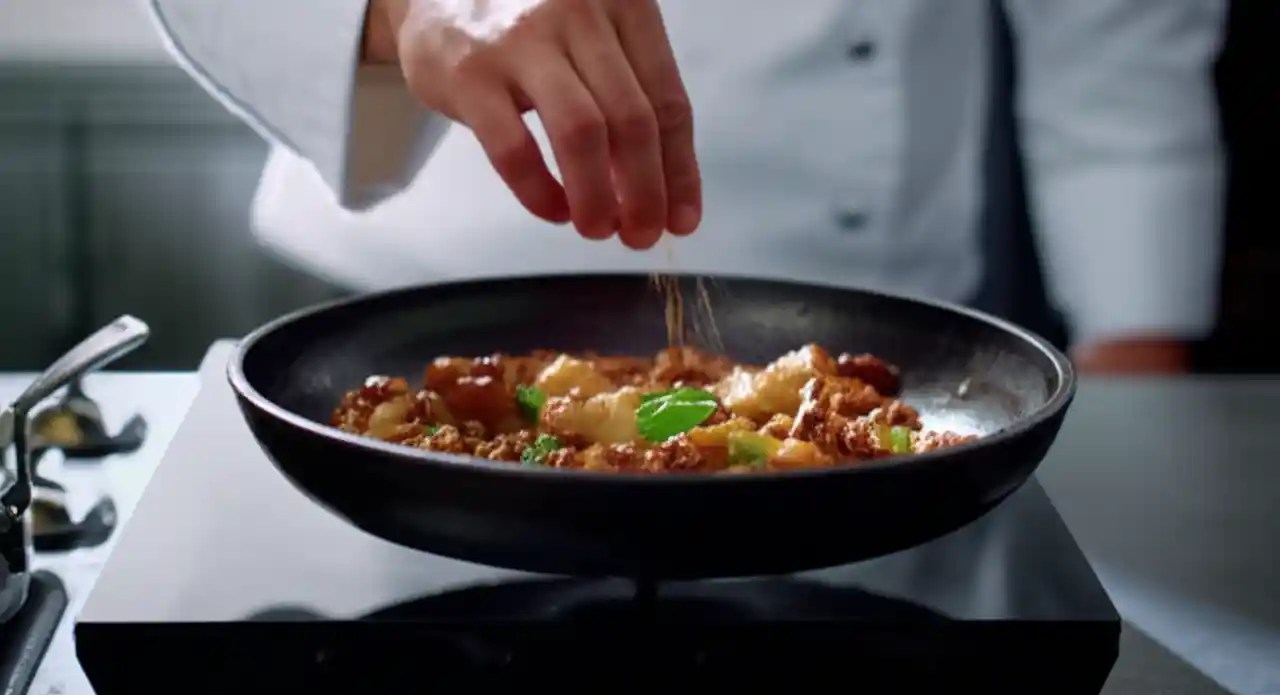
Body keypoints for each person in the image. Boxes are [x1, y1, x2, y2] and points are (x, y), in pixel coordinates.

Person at [145, 0, 1227, 374]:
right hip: (398, 321)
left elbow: (1117, 57)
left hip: (888, 344)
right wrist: (398, 9)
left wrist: (1134, 360)